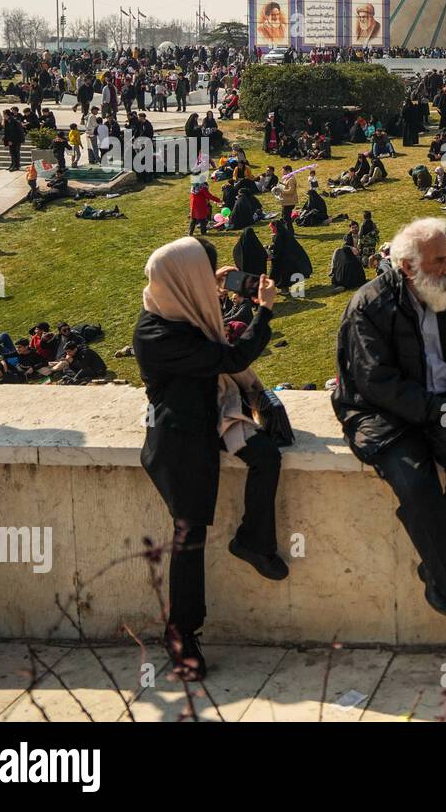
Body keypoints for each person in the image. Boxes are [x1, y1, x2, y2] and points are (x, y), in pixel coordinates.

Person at [332, 218, 446, 646]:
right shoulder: (370, 305)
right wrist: (440, 410)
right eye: (440, 260)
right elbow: (375, 383)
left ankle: (435, 569)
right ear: (407, 267)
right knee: (416, 484)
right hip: (384, 416)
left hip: (443, 406)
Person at [134, 237, 289, 682]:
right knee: (189, 531)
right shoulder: (156, 333)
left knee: (266, 458)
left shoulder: (178, 305)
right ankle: (181, 634)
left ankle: (252, 541)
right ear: (185, 280)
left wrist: (215, 292)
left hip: (214, 415)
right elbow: (231, 355)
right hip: (181, 441)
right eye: (202, 274)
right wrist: (263, 309)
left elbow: (206, 331)